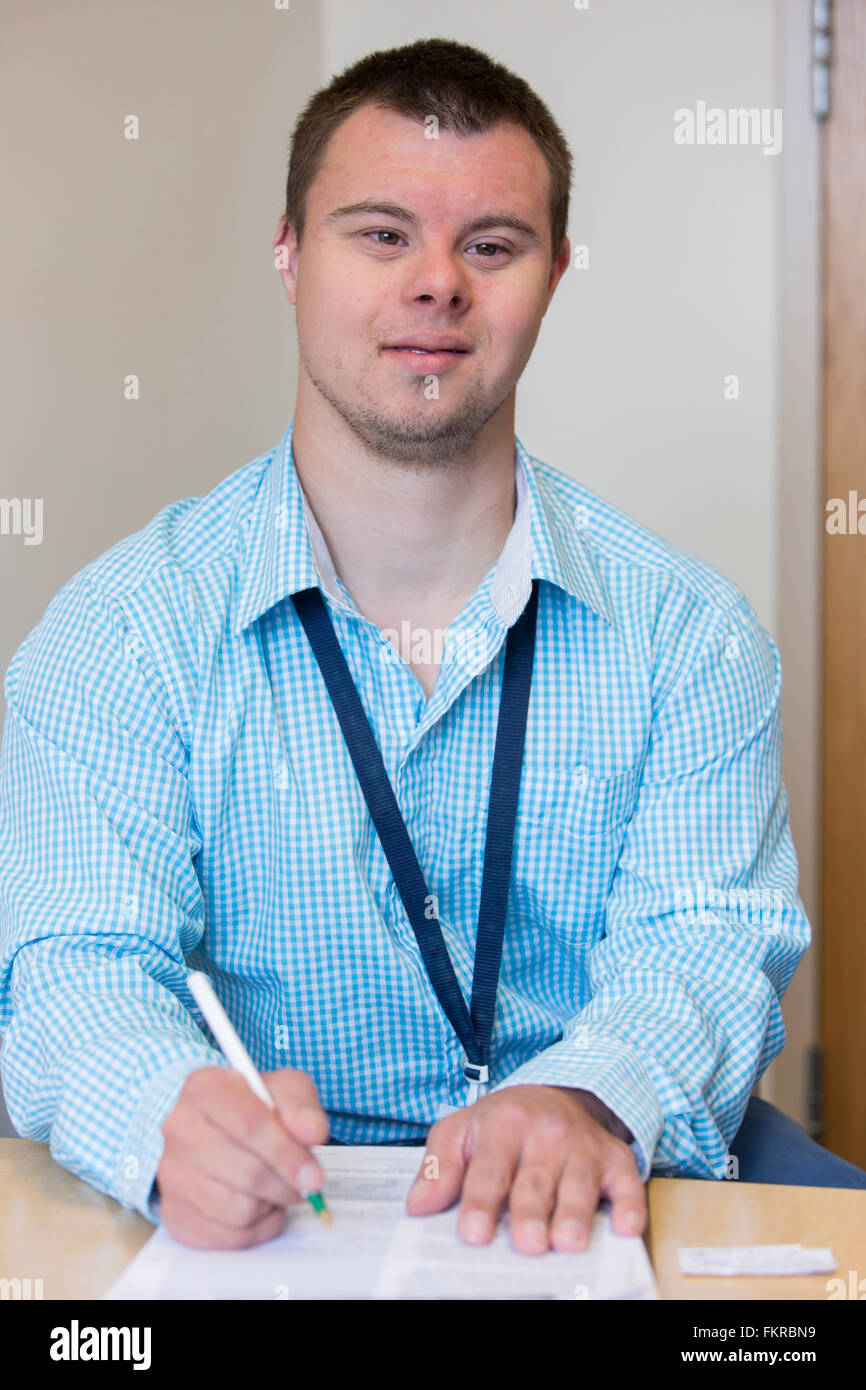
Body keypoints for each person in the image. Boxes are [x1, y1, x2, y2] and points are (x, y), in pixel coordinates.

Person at [1, 37, 860, 1260]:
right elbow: (76, 961)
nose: (436, 284)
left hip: (587, 1194)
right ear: (288, 255)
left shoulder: (693, 637)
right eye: (380, 234)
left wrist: (581, 1094)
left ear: (554, 273)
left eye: (491, 245)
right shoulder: (120, 633)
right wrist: (161, 1114)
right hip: (264, 1215)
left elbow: (703, 942)